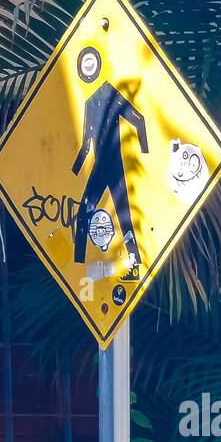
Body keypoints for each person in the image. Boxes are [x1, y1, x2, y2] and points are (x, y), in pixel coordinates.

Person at [70, 48, 148, 279]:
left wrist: (144, 152)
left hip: (114, 166)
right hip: (101, 167)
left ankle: (134, 264)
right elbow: (86, 143)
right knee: (86, 211)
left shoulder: (110, 93)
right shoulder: (89, 102)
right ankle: (78, 266)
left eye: (90, 63)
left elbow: (139, 120)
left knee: (122, 216)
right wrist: (74, 170)